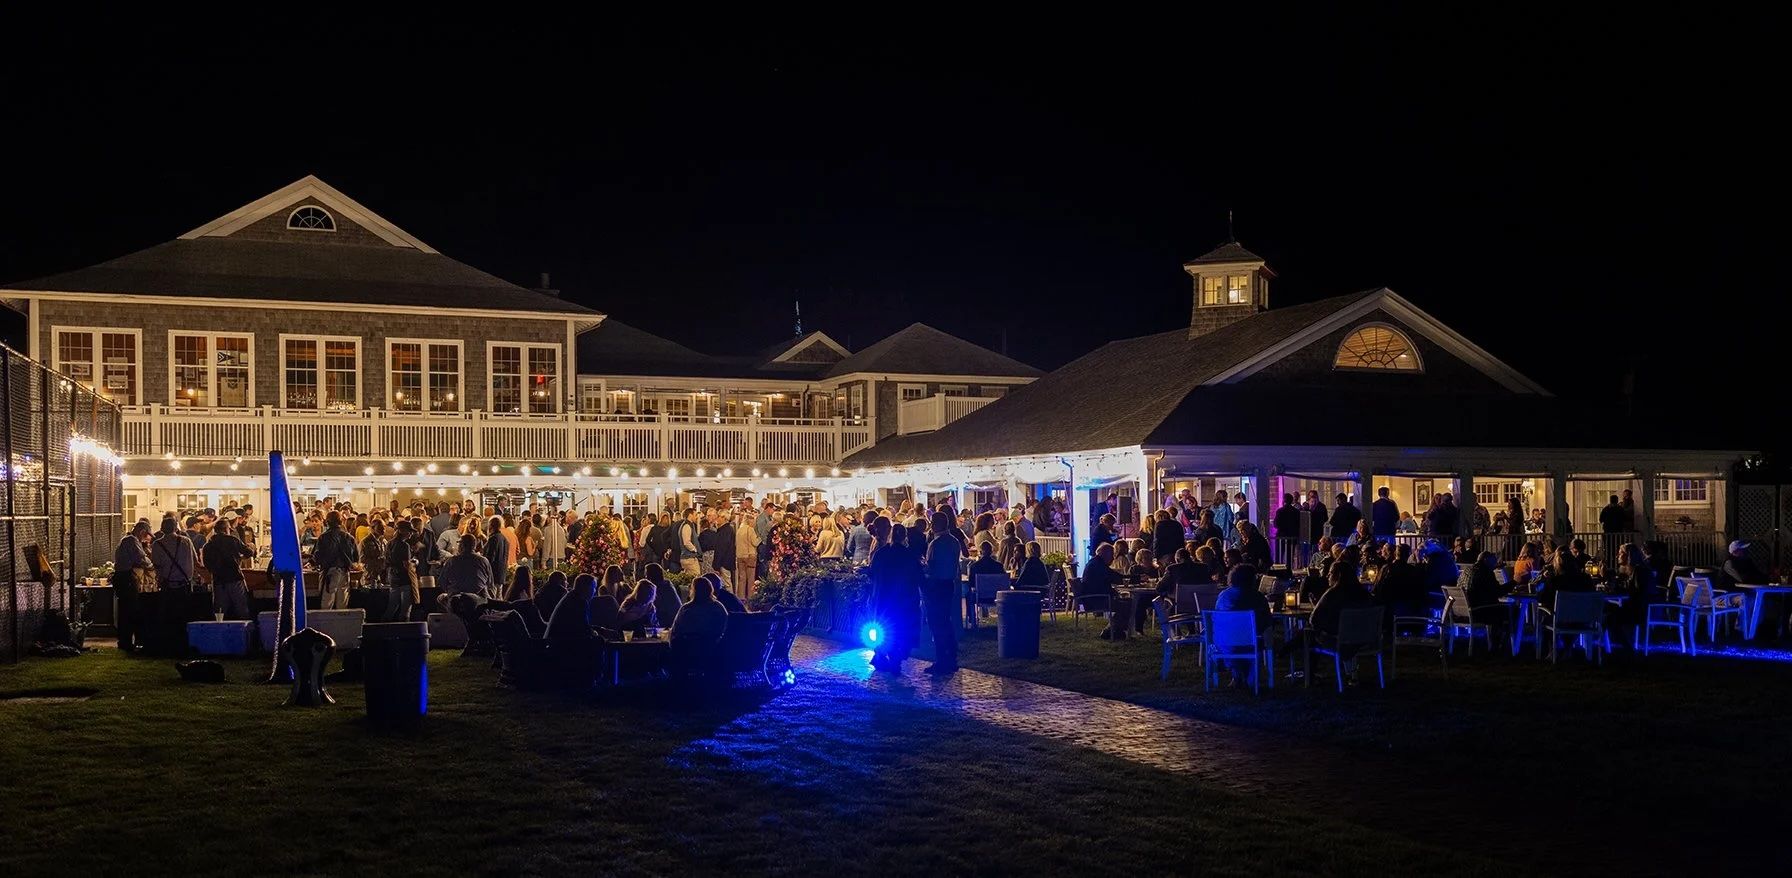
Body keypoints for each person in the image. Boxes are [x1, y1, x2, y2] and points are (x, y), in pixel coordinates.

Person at [867, 515, 921, 672]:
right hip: (904, 600)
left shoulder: (882, 553)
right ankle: (894, 657)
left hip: (884, 599)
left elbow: (872, 572)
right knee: (901, 629)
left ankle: (883, 654)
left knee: (886, 627)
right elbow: (918, 576)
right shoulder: (909, 555)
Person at [922, 511, 963, 675]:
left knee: (936, 622)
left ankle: (941, 659)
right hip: (949, 584)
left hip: (936, 585)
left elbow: (931, 566)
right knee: (946, 620)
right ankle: (951, 657)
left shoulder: (936, 543)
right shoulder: (954, 542)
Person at [670, 574, 730, 677]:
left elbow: (676, 630)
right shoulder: (718, 607)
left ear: (693, 590)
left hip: (689, 650)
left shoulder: (687, 609)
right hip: (713, 649)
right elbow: (726, 627)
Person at [201, 521, 254, 621]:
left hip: (218, 581)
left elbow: (207, 564)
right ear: (226, 529)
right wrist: (242, 557)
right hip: (235, 578)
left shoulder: (208, 546)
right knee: (242, 609)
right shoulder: (232, 540)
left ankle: (219, 633)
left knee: (219, 613)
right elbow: (248, 552)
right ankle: (245, 632)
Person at [313, 512, 359, 610]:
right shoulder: (349, 537)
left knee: (327, 602)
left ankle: (326, 624)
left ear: (328, 522)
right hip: (344, 571)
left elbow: (317, 556)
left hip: (329, 571)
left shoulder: (323, 537)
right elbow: (356, 557)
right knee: (342, 603)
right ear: (340, 521)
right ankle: (341, 624)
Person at [436, 533, 494, 610]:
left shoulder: (452, 561)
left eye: (459, 543)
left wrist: (451, 590)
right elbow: (490, 583)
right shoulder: (484, 561)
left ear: (462, 546)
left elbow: (442, 582)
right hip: (479, 598)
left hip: (457, 598)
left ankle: (451, 618)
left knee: (441, 598)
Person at [384, 520, 419, 623]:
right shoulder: (404, 546)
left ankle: (384, 626)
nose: (411, 534)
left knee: (392, 606)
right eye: (409, 531)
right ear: (402, 531)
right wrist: (415, 562)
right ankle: (404, 629)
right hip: (404, 579)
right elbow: (406, 565)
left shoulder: (390, 543)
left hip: (393, 578)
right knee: (405, 609)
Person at [482, 516, 510, 581]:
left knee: (492, 591)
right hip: (502, 574)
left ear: (490, 526)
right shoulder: (504, 539)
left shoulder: (493, 539)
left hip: (493, 575)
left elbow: (490, 557)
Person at [677, 508, 702, 575]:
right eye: (695, 514)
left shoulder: (688, 525)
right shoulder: (687, 526)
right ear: (690, 515)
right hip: (689, 557)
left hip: (688, 557)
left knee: (689, 579)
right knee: (696, 577)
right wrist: (695, 549)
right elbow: (686, 542)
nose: (696, 517)